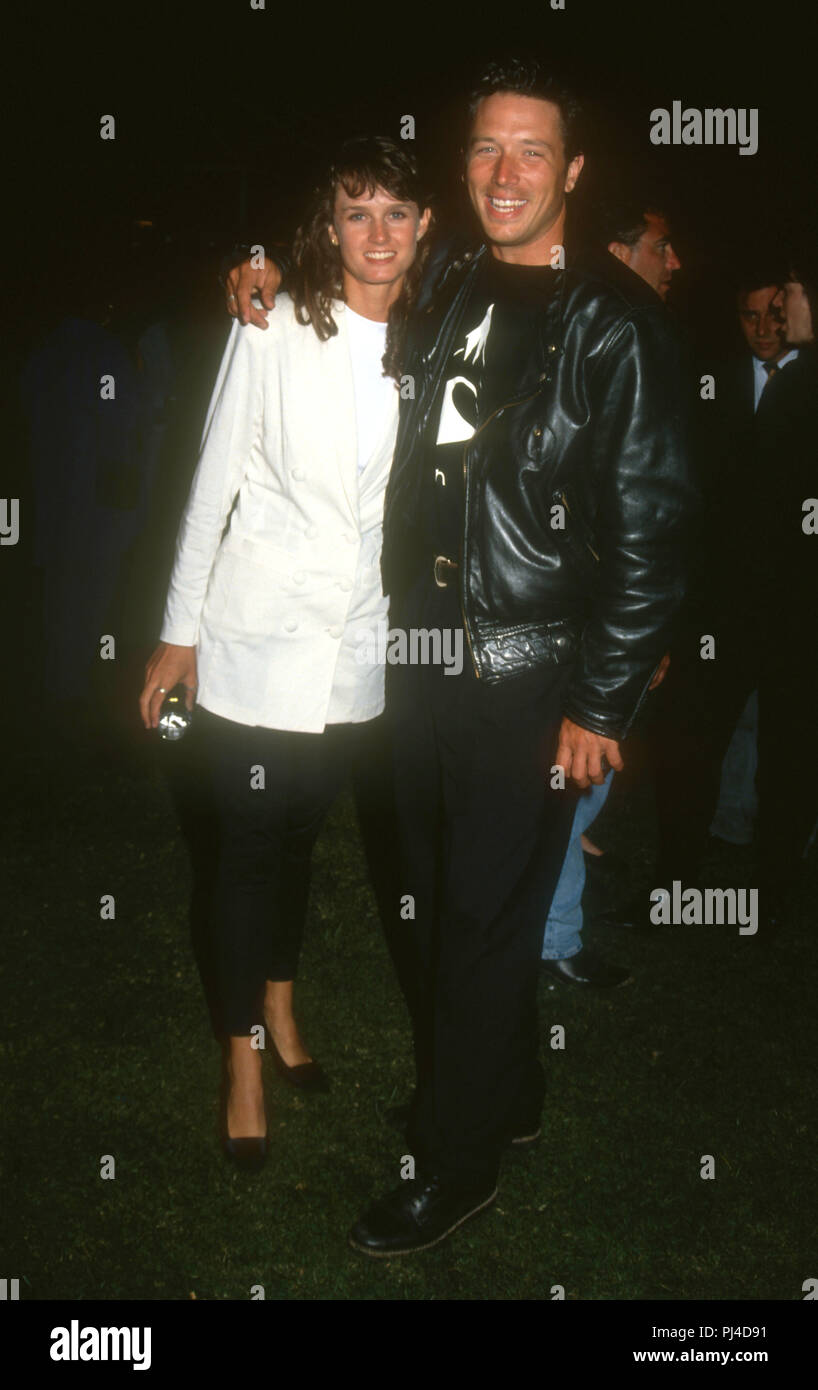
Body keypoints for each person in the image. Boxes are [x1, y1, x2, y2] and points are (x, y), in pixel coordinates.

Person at [355, 59, 693, 1253]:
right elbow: (346, 267)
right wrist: (254, 260)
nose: (505, 174)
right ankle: (501, 1090)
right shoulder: (451, 280)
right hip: (423, 653)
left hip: (526, 669)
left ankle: (454, 1161)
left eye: (531, 152)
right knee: (433, 894)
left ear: (573, 172)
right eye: (486, 151)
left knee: (479, 915)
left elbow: (651, 531)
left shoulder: (615, 323)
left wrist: (600, 699)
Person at [138, 137, 431, 1171]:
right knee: (245, 852)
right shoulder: (271, 325)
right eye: (357, 213)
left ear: (424, 225)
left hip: (350, 654)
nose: (379, 232)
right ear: (327, 228)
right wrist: (178, 632)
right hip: (252, 644)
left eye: (398, 211)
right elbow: (211, 482)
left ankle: (281, 1005)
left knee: (298, 840)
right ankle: (244, 1061)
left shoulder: (437, 345)